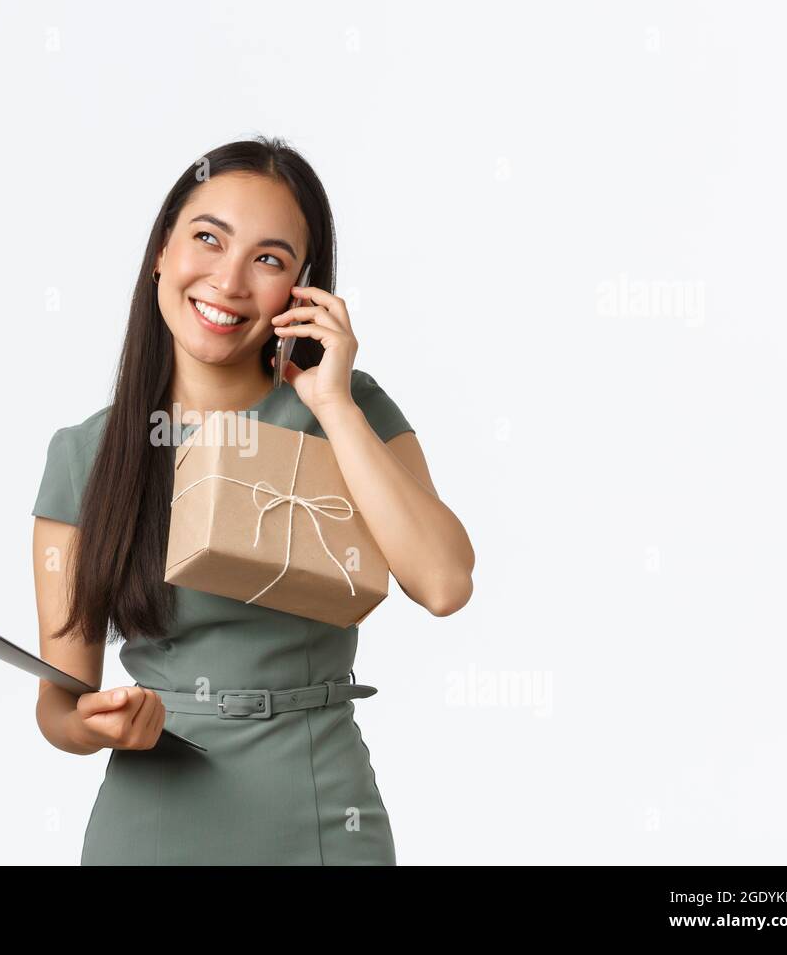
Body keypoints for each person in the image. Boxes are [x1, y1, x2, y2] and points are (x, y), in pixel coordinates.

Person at [31, 136, 475, 865]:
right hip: (151, 823)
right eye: (208, 239)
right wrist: (100, 724)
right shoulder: (89, 455)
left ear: (303, 289)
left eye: (268, 259)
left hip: (322, 808)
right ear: (161, 254)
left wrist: (331, 400)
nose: (230, 280)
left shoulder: (348, 411)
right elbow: (59, 706)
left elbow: (445, 583)